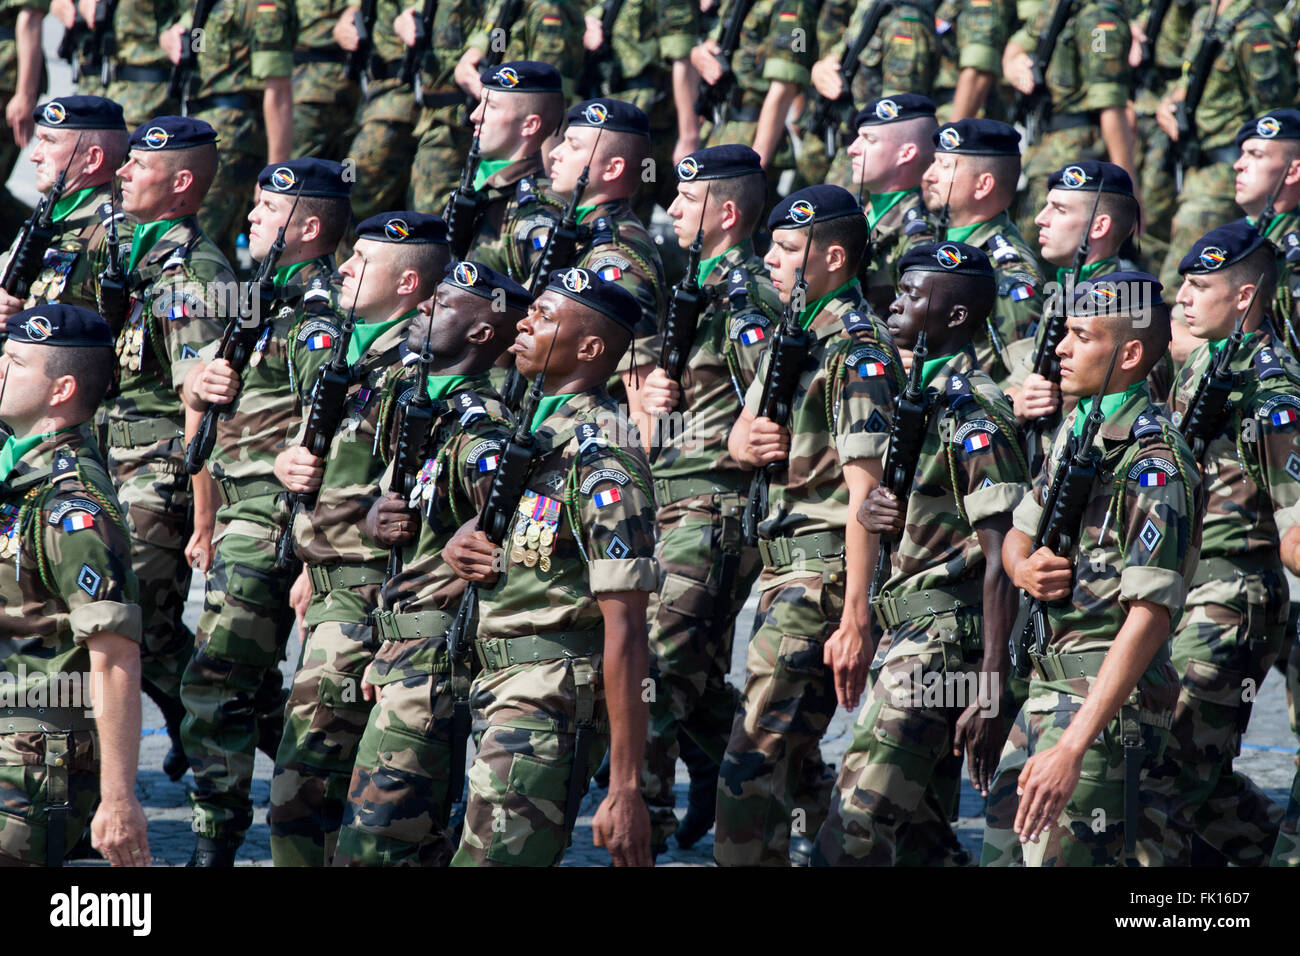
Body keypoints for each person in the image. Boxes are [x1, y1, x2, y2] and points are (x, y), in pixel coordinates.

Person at [813, 241, 1028, 866]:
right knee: (920, 838)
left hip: (939, 642)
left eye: (914, 294)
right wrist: (886, 509)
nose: (897, 302)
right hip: (909, 625)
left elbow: (1001, 555)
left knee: (853, 825)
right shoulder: (923, 394)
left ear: (956, 318)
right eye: (898, 288)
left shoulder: (974, 411)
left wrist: (990, 686)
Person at [442, 267, 657, 867]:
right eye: (527, 312)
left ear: (589, 349)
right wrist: (459, 546)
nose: (524, 323)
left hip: (546, 706)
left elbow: (629, 628)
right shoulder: (531, 427)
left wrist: (625, 788)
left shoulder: (604, 456)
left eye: (543, 316)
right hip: (497, 687)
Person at [986, 273, 1204, 866]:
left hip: (1101, 711)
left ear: (1129, 353)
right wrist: (1025, 567)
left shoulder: (1154, 463)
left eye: (1081, 335)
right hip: (1044, 689)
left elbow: (1151, 616)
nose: (1059, 346)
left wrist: (1074, 745)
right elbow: (1017, 534)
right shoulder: (1079, 427)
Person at [716, 184, 903, 867]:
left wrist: (856, 616)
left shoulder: (855, 351)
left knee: (750, 762)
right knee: (786, 757)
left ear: (831, 257)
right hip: (783, 567)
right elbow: (744, 430)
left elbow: (868, 493)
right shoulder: (799, 331)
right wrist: (748, 443)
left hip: (819, 574)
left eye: (788, 249)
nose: (770, 258)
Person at [179, 158, 352, 867]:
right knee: (247, 687)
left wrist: (313, 553)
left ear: (308, 227)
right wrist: (199, 389)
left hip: (278, 524)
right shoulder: (261, 299)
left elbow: (334, 436)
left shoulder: (316, 316)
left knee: (216, 681)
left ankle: (215, 840)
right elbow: (215, 433)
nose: (249, 217)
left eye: (267, 210)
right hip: (242, 514)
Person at [270, 210, 450, 866]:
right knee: (320, 783)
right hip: (332, 592)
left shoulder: (420, 369)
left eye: (362, 262)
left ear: (407, 285)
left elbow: (424, 497)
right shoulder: (355, 350)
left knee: (323, 788)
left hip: (375, 601)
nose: (343, 267)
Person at [333, 260, 527, 866]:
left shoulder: (482, 431)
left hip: (434, 661)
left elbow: (519, 537)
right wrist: (371, 517)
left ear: (479, 334)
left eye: (440, 303)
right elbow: (395, 506)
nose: (421, 306)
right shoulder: (420, 399)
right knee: (405, 843)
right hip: (402, 650)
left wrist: (471, 541)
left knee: (374, 845)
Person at [635, 145, 777, 853]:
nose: (674, 212)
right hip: (675, 500)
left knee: (654, 673)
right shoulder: (697, 282)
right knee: (687, 672)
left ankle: (643, 829)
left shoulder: (747, 294)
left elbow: (771, 394)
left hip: (714, 511)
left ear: (724, 213)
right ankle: (751, 790)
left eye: (688, 202)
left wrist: (742, 439)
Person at [1156, 220, 1299, 866]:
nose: (1183, 297)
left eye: (1200, 285)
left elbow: (1296, 533)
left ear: (1244, 297)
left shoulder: (1272, 394)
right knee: (1192, 779)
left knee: (1159, 779)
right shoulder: (1209, 363)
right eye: (1183, 283)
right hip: (1185, 590)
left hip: (1229, 600)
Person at [107, 114, 234, 785]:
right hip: (115, 463)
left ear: (181, 183)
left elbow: (201, 404)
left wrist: (204, 516)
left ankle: (244, 726)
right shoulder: (137, 253)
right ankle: (207, 722)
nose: (123, 171)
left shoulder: (192, 275)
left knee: (135, 627)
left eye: (140, 165)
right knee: (134, 629)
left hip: (158, 476)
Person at [0, 304, 150, 868]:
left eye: (13, 362)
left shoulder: (73, 507)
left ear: (61, 388)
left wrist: (119, 801)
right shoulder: (17, 471)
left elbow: (114, 657)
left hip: (27, 756)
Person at [1155, 0, 1296, 297]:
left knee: (1182, 283)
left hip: (1227, 166)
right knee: (1150, 233)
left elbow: (1275, 122)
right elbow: (1184, 74)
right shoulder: (1205, 17)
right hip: (1193, 155)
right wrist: (1171, 100)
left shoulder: (1256, 30)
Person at [160, 0, 296, 263]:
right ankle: (219, 301)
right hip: (203, 126)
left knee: (194, 240)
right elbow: (178, 30)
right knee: (211, 245)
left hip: (236, 136)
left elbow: (278, 89)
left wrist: (276, 170)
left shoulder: (265, 6)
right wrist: (170, 37)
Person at [1001, 0, 1137, 251]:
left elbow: (1110, 106)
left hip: (1079, 151)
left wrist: (1126, 190)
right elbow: (1018, 44)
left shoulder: (1098, 20)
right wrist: (1014, 63)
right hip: (1049, 149)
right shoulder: (1060, 8)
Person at [921, 118, 1043, 386]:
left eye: (944, 165)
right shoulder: (935, 241)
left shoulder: (1005, 269)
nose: (929, 174)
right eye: (934, 162)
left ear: (983, 185)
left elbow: (1027, 378)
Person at [0, 96, 128, 319]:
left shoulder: (115, 234)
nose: (34, 156)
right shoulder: (52, 212)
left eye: (50, 141)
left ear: (92, 159)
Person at [805, 0, 938, 189]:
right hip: (844, 142)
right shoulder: (871, 6)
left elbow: (898, 119)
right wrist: (822, 67)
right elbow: (843, 50)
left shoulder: (905, 23)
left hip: (871, 156)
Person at [689, 1, 815, 184]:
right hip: (721, 126)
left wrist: (758, 159)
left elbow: (784, 86)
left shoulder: (791, 4)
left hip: (751, 132)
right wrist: (699, 53)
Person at [459, 60, 565, 277]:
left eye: (491, 106)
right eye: (480, 103)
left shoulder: (537, 212)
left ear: (529, 125)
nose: (475, 116)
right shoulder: (477, 186)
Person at [844, 94, 938, 316]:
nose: (852, 149)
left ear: (906, 154)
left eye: (869, 139)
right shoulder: (861, 209)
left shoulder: (919, 232)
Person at [1232, 109, 1300, 348]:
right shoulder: (1230, 240)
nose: (1238, 165)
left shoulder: (1293, 249)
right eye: (1242, 154)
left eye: (1256, 155)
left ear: (1293, 171)